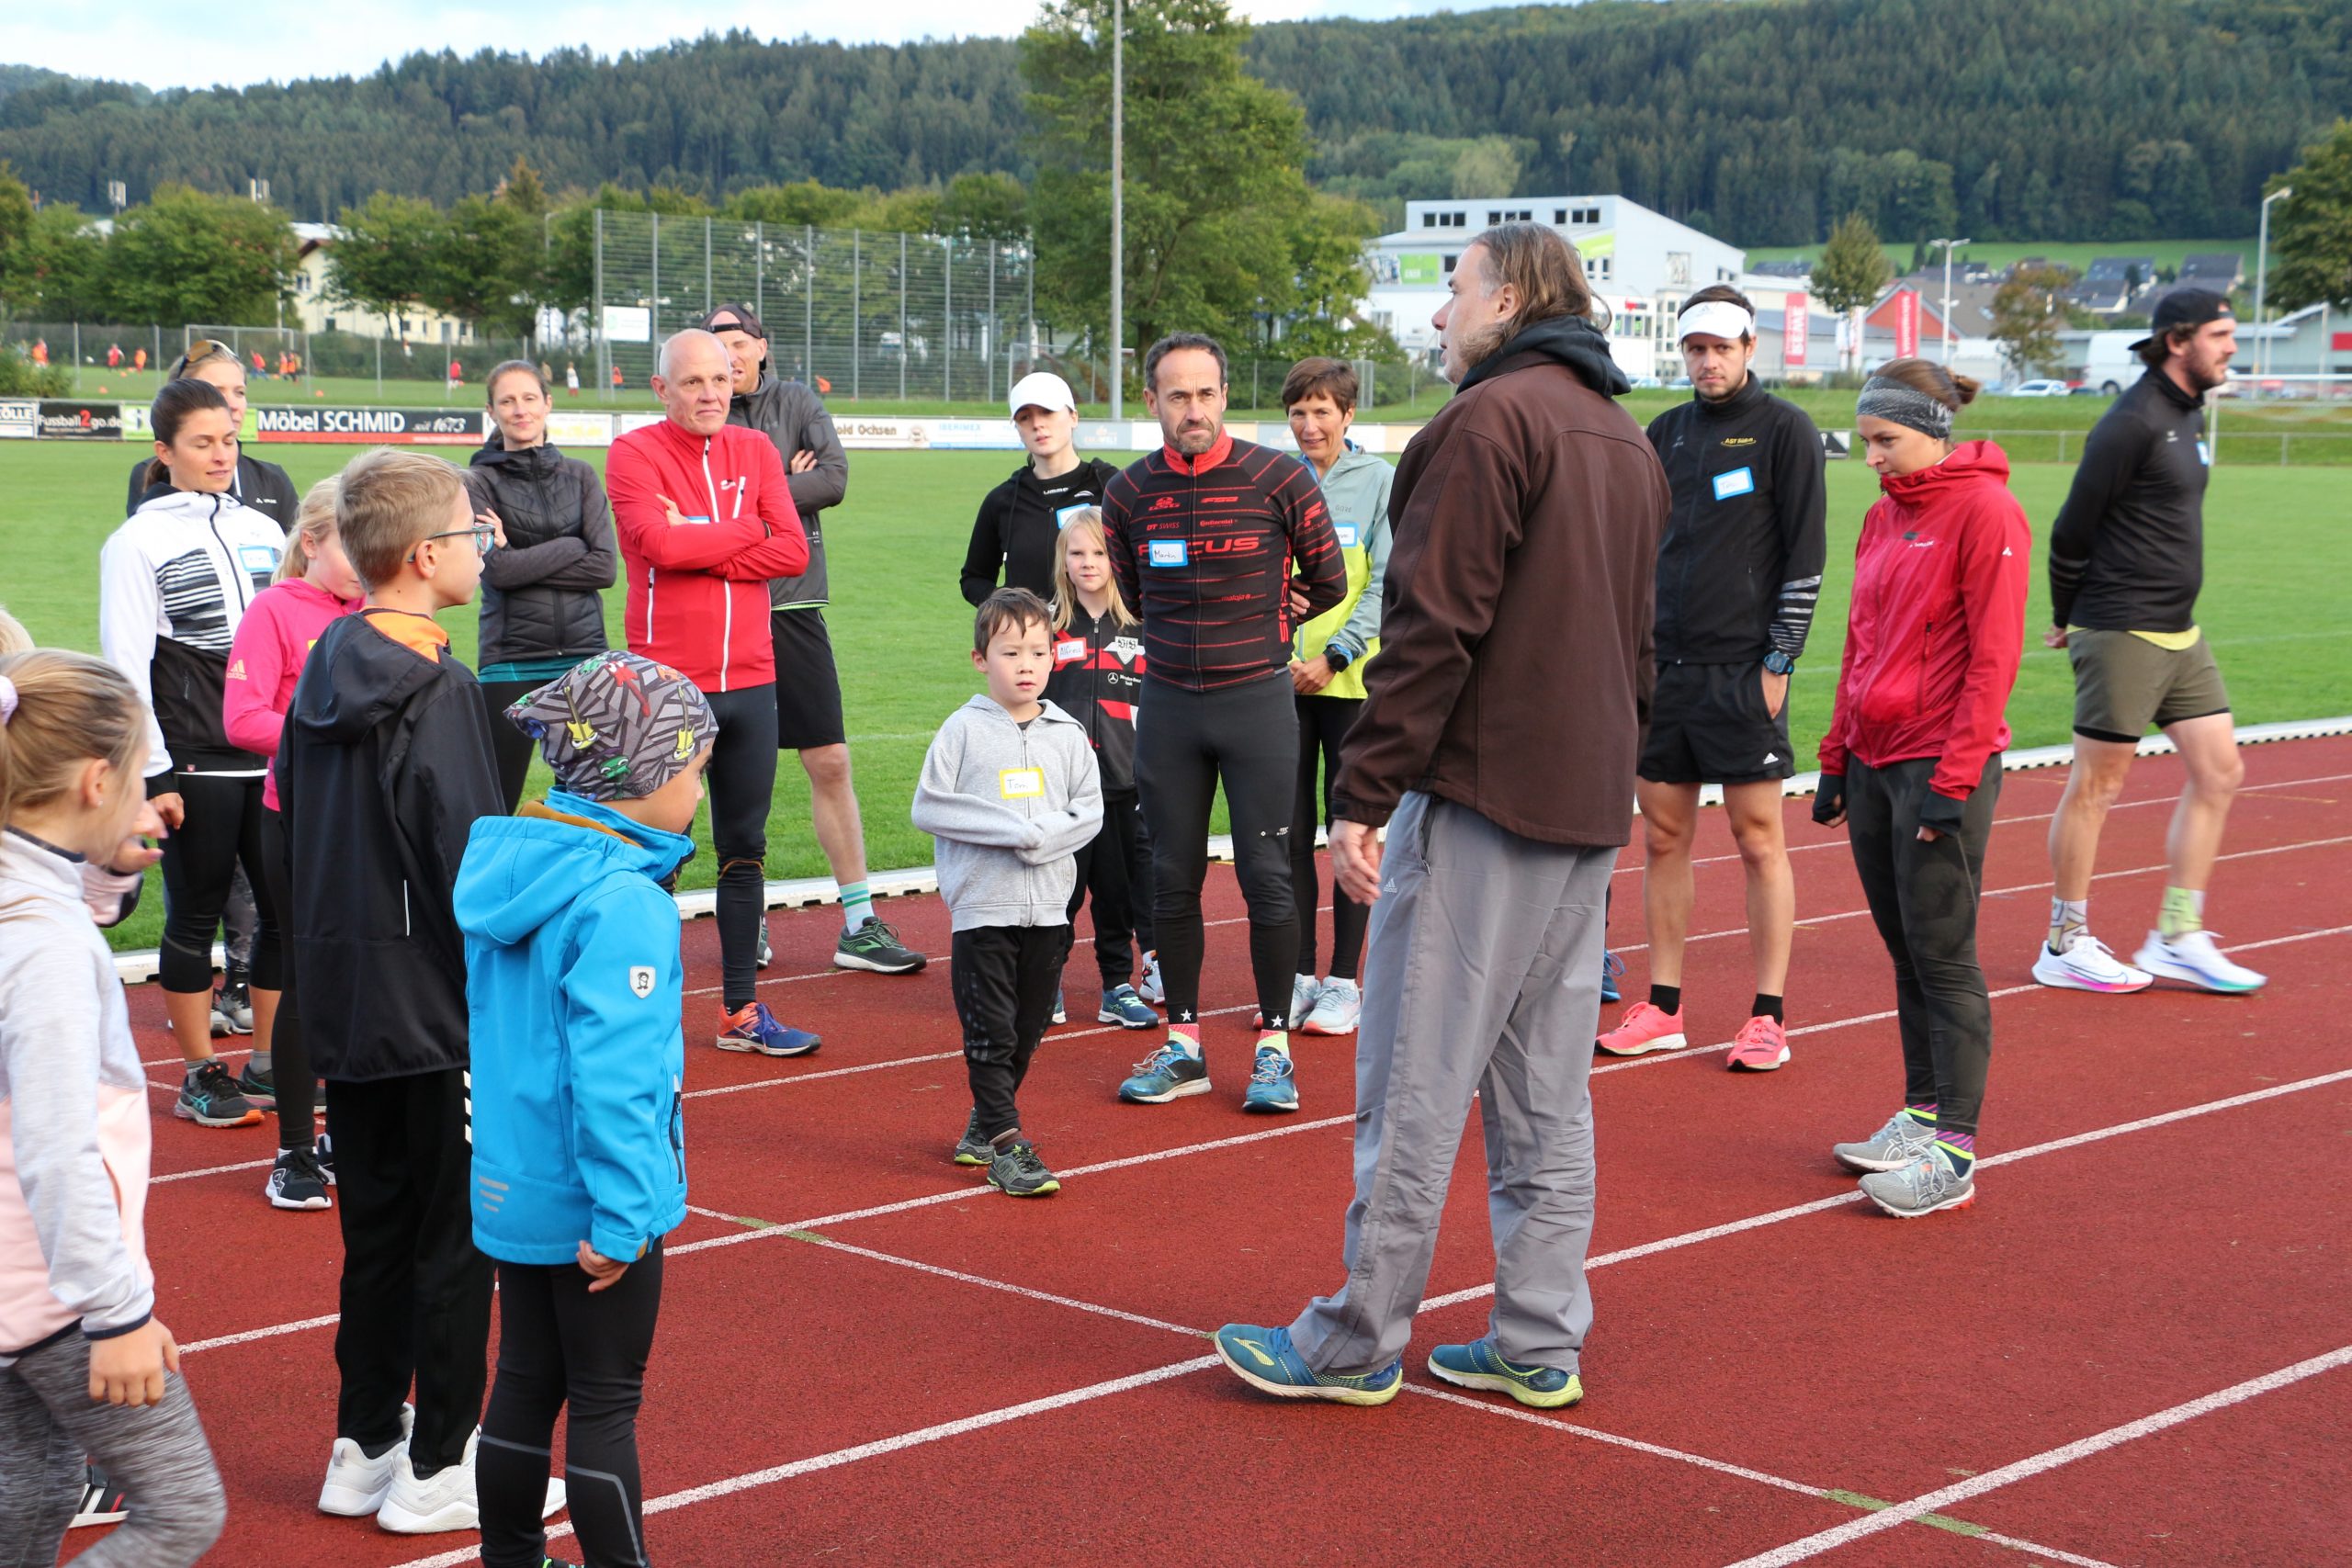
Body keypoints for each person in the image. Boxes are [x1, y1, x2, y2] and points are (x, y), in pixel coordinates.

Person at [1214, 222, 1666, 1409]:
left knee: (1416, 1079)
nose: (1437, 313)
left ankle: (1354, 1339)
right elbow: (1642, 646)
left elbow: (1432, 626)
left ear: (1507, 298)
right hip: (1585, 802)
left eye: (1453, 289)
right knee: (1545, 1095)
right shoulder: (1626, 439)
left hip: (1482, 797)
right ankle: (1538, 1335)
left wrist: (1362, 792)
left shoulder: (1485, 423)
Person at [279, 449, 559, 1533]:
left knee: (378, 1232)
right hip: (437, 1008)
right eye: (473, 534)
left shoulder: (325, 661)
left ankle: (363, 1442)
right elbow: (468, 866)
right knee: (455, 1240)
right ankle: (440, 1461)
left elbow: (292, 822)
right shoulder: (438, 688)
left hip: (346, 993)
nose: (486, 549)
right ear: (425, 555)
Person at [458, 652, 715, 1568]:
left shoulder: (513, 870)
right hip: (593, 1200)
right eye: (694, 770)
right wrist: (624, 1213)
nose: (700, 791)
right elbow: (618, 1078)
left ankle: (511, 1557)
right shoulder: (625, 903)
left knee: (524, 1379)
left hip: (513, 1183)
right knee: (607, 1401)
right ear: (641, 774)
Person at [0, 648, 229, 1568]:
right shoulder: (43, 947)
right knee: (180, 1512)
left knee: (32, 1496)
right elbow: (56, 1145)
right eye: (137, 778)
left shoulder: (25, 896)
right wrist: (119, 1313)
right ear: (96, 782)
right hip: (52, 1288)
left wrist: (104, 866)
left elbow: (55, 891)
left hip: (20, 1282)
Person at [1102, 333, 1345, 1114]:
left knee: (1267, 878)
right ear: (1152, 402)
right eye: (1178, 395)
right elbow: (1135, 594)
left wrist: (1271, 615)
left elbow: (1329, 577)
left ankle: (1274, 1051)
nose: (1194, 409)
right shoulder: (1128, 494)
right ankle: (1184, 1048)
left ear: (1225, 397)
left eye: (1206, 394)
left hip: (1258, 704)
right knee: (1170, 880)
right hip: (1169, 706)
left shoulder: (1280, 477)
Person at [1817, 359, 2030, 1219]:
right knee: (1906, 950)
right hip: (1873, 761)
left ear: (1933, 432)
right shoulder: (1881, 515)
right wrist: (1836, 754)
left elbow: (1994, 658)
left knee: (1944, 957)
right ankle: (1921, 1113)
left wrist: (1955, 778)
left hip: (1941, 765)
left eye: (1885, 440)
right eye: (1866, 439)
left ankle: (1955, 1154)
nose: (1871, 456)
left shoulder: (1987, 511)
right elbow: (1861, 641)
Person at [1600, 286, 1827, 1070]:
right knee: (1663, 837)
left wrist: (1779, 661)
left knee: (1758, 839)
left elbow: (1806, 555)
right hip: (1663, 668)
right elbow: (1635, 548)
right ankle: (1664, 1006)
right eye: (1696, 348)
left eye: (1721, 348)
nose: (1707, 361)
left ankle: (1768, 1015)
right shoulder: (1664, 432)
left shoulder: (1785, 430)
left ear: (1749, 348)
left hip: (1743, 670)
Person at [2037, 288, 2263, 996]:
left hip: (2179, 631)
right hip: (2121, 626)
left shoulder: (2188, 411)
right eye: (2220, 335)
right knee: (2098, 786)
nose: (2232, 347)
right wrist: (2066, 615)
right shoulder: (2131, 422)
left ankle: (2175, 934)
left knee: (2220, 772)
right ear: (2178, 340)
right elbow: (2071, 528)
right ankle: (2064, 941)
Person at [606, 329, 814, 1056]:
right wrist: (744, 531)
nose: (709, 394)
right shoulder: (633, 453)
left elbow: (793, 549)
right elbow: (657, 545)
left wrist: (705, 538)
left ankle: (739, 1010)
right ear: (661, 388)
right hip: (668, 686)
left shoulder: (754, 450)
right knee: (658, 854)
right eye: (693, 381)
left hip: (753, 680)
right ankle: (641, 1008)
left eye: (720, 380)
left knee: (744, 849)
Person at [702, 304, 925, 981]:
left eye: (738, 342)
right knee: (724, 767)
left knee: (829, 759)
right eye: (716, 345)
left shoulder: (797, 401)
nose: (728, 355)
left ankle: (859, 924)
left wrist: (751, 493)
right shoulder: (700, 414)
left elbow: (834, 478)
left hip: (794, 606)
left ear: (761, 347)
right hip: (721, 607)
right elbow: (692, 509)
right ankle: (748, 918)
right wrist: (779, 486)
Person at [100, 378, 289, 1130]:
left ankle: (270, 1062)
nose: (220, 454)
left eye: (228, 439)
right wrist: (154, 772)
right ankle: (198, 1073)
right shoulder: (135, 542)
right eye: (202, 442)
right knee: (194, 915)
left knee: (282, 913)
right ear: (164, 450)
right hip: (193, 763)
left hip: (271, 757)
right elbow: (125, 666)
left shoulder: (264, 529)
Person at [912, 589, 1103, 1198]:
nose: (1027, 664)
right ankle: (1006, 1144)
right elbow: (931, 806)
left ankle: (983, 1124)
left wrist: (1042, 837)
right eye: (1011, 652)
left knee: (1028, 1027)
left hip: (1049, 909)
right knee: (991, 1031)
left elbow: (1090, 810)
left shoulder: (1068, 734)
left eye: (1039, 652)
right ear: (981, 659)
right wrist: (1013, 830)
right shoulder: (962, 730)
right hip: (983, 908)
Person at [222, 479, 365, 1211]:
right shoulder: (275, 609)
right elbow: (242, 717)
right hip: (300, 817)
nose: (366, 560)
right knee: (309, 979)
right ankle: (294, 1151)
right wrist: (332, 733)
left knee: (364, 975)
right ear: (311, 541)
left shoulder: (375, 611)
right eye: (352, 544)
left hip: (366, 819)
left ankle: (346, 1132)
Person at [1280, 357, 1394, 1039]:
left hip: (1351, 684)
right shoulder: (1277, 477)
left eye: (1322, 411)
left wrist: (1335, 654)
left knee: (1351, 826)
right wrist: (1283, 654)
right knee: (1289, 833)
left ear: (1348, 415)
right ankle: (1299, 975)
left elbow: (1387, 580)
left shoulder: (1379, 480)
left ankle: (1345, 981)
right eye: (1299, 412)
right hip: (1282, 684)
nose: (1309, 424)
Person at [464, 360, 617, 810]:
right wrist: (572, 545)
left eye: (529, 398)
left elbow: (604, 568)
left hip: (584, 657)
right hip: (510, 659)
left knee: (590, 804)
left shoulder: (581, 475)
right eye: (508, 401)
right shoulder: (476, 482)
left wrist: (517, 553)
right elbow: (496, 571)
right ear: (491, 411)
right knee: (495, 801)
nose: (520, 410)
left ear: (548, 404)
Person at [1042, 510, 1157, 1030]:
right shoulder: (1044, 625)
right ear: (1063, 561)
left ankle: (1117, 986)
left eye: (1100, 553)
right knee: (1059, 896)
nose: (1088, 563)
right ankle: (1046, 982)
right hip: (1061, 793)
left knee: (1116, 897)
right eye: (1077, 553)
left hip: (1122, 789)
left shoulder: (1143, 624)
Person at [961, 372, 1124, 604]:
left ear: (1073, 417)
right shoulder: (1002, 500)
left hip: (1101, 627)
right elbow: (974, 578)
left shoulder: (1112, 487)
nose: (1037, 424)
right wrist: (1010, 609)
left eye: (1047, 412)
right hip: (1028, 628)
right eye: (1025, 417)